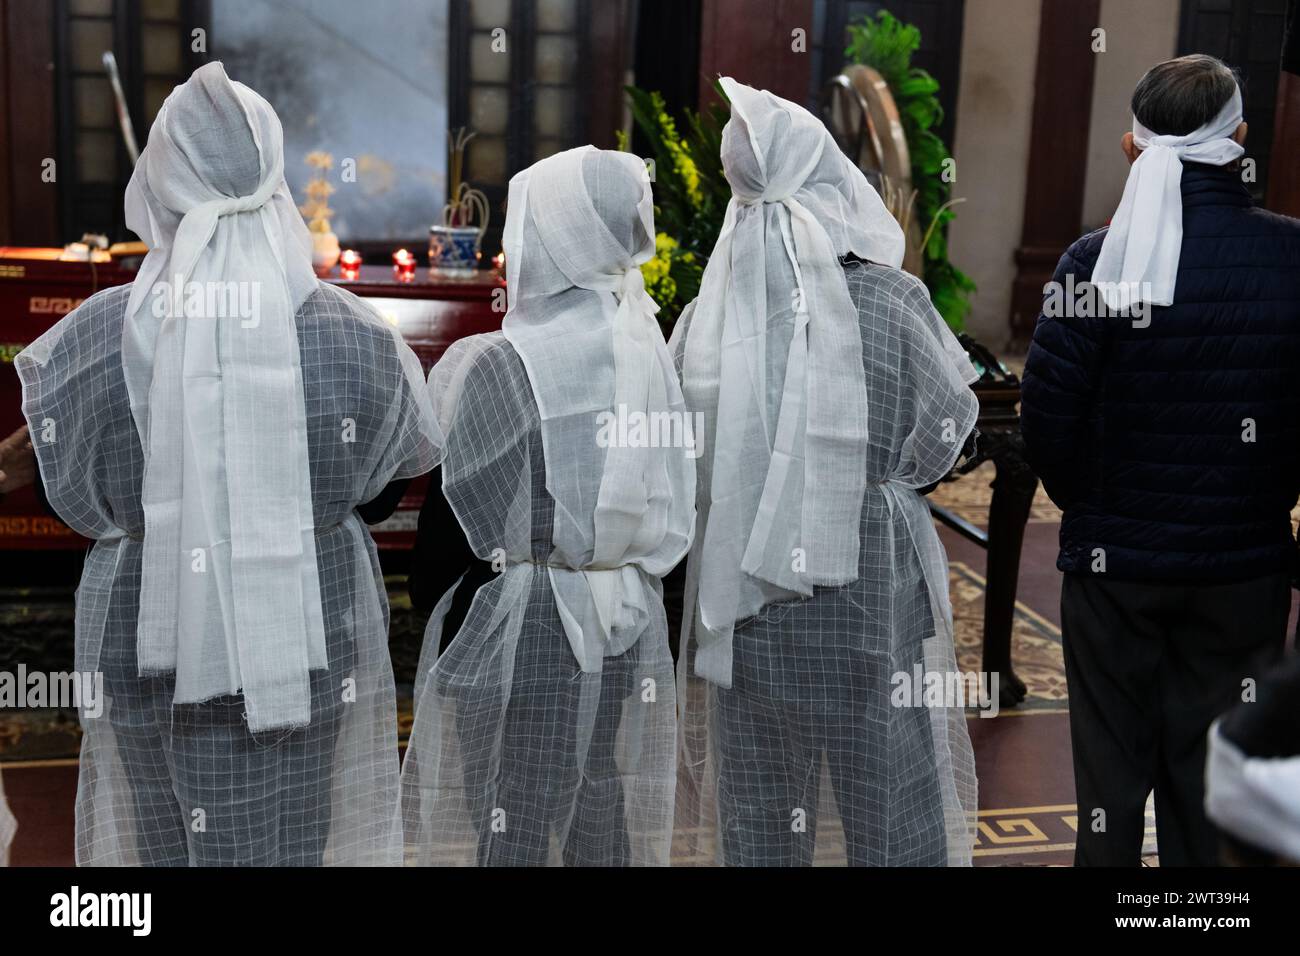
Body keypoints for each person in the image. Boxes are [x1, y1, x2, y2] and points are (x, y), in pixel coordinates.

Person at [14, 62, 439, 865]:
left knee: (161, 836)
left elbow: (64, 488)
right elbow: (388, 485)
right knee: (300, 835)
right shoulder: (351, 331)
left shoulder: (99, 335)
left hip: (151, 631)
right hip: (313, 622)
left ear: (163, 177)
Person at [671, 78, 979, 867]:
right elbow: (946, 431)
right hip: (871, 574)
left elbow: (679, 453)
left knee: (762, 802)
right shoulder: (892, 299)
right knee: (891, 790)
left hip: (748, 591)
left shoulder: (711, 312)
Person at [1020, 54, 1300, 866]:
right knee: (1211, 787)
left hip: (1116, 571)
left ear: (1131, 148)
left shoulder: (1091, 264)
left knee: (1108, 788)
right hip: (1244, 568)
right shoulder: (1292, 258)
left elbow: (1048, 416)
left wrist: (1094, 506)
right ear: (1241, 138)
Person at [400, 146, 695, 866]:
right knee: (597, 793)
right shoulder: (646, 346)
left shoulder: (501, 361)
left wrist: (438, 610)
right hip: (625, 619)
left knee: (510, 815)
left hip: (521, 628)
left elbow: (455, 523)